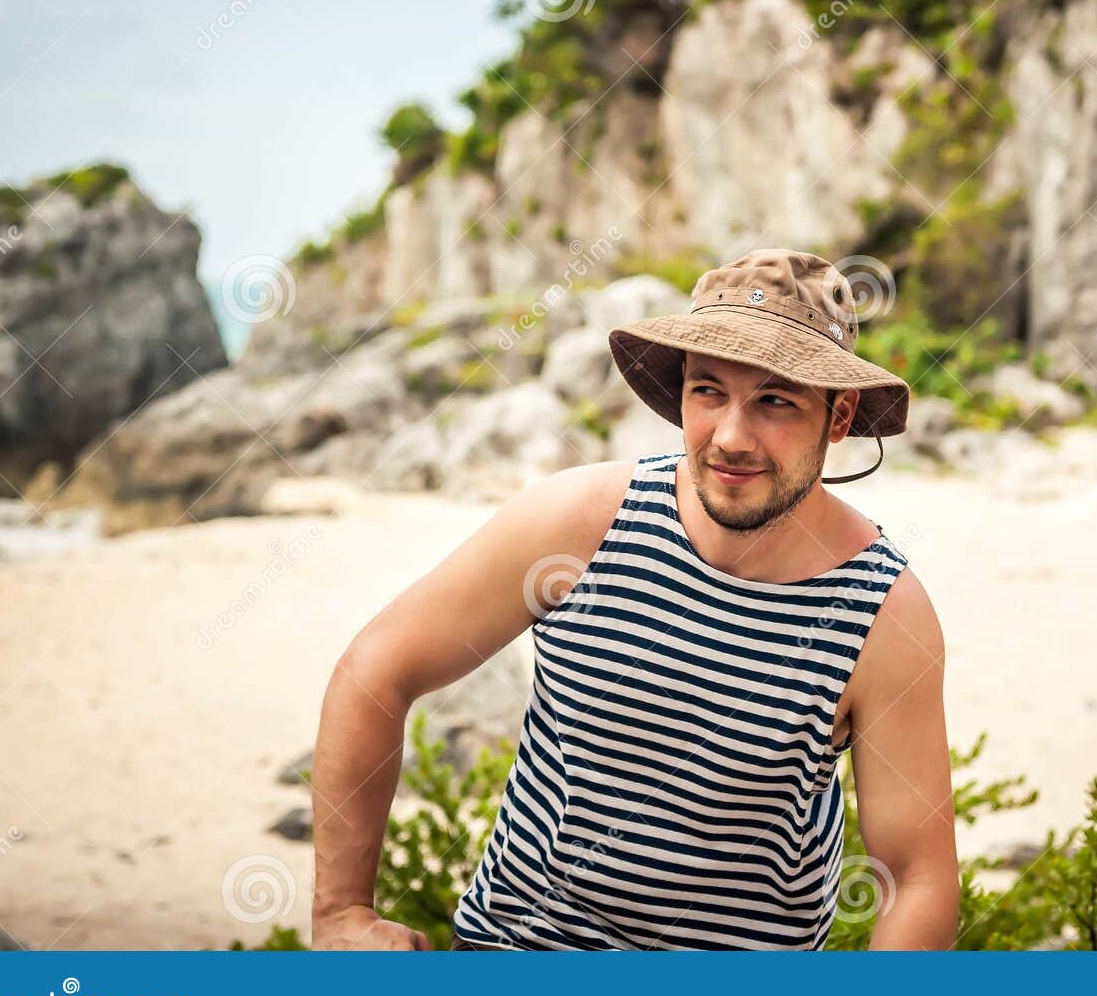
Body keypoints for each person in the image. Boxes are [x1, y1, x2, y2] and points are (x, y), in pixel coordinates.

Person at [311, 248, 957, 951]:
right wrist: (341, 912)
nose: (732, 437)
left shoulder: (882, 612)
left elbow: (917, 874)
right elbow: (374, 668)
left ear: (839, 417)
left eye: (775, 400)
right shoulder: (579, 523)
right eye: (709, 391)